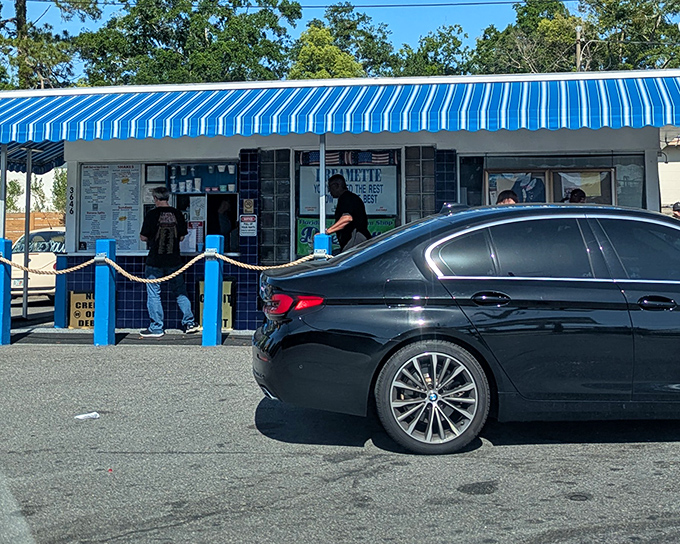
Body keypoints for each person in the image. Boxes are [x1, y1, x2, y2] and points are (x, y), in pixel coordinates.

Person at [139, 186, 198, 338]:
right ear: (168, 198)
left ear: (155, 199)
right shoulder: (178, 214)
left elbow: (143, 237)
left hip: (155, 261)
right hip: (174, 260)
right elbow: (182, 236)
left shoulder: (151, 215)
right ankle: (189, 323)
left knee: (154, 294)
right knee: (180, 291)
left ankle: (157, 328)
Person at [325, 174, 372, 252]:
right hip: (355, 241)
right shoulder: (347, 198)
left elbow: (347, 218)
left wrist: (327, 231)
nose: (329, 191)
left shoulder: (346, 198)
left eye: (330, 187)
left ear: (338, 185)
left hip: (355, 241)